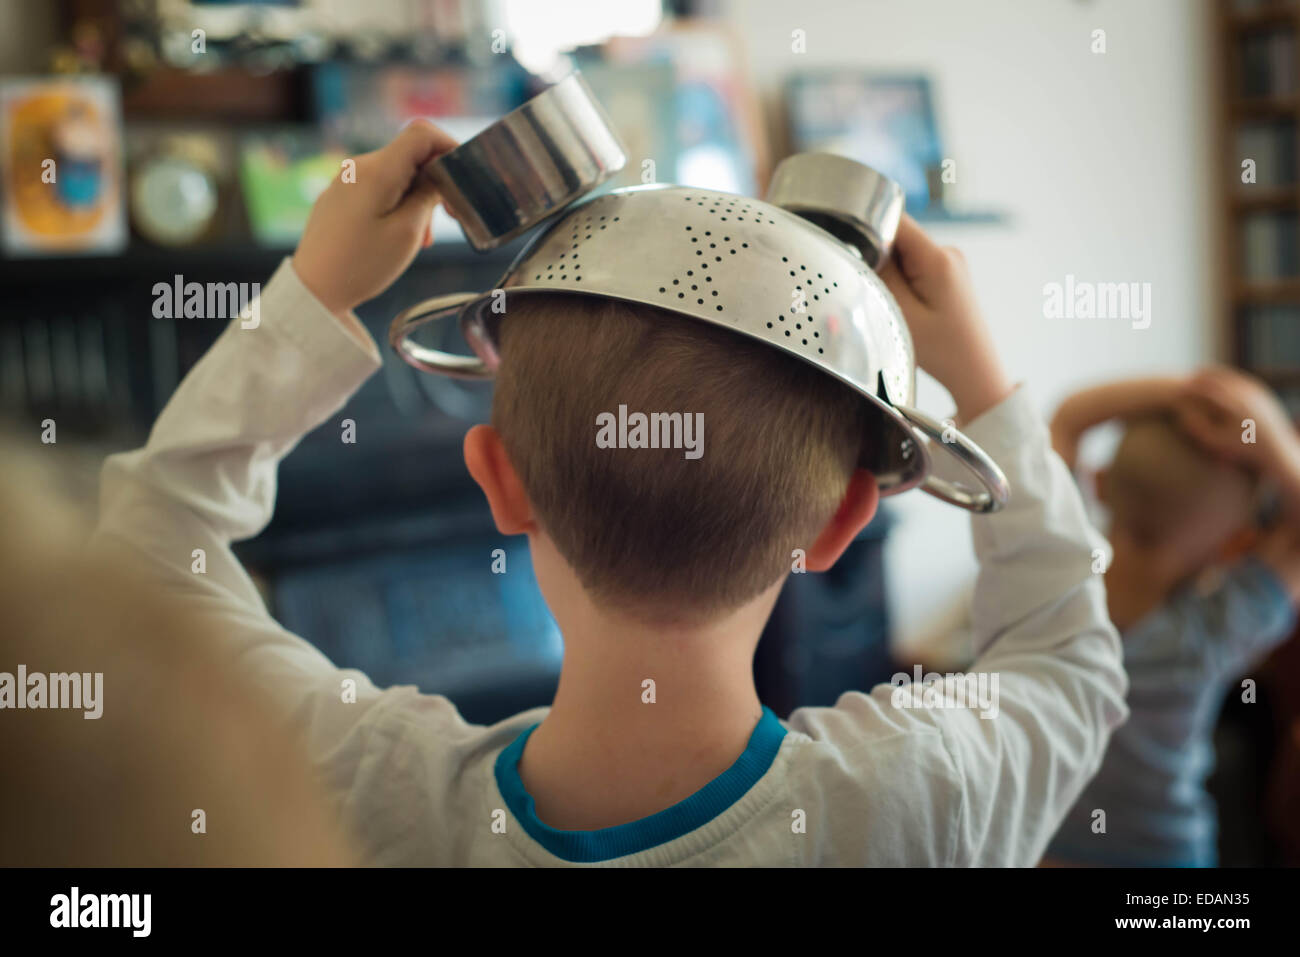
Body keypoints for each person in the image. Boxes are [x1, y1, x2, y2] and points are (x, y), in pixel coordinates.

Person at [90, 120, 1125, 865]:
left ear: (499, 481)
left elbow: (139, 560)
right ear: (844, 519)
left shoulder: (361, 786)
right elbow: (1070, 657)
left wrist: (317, 290)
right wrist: (978, 380)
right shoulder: (924, 799)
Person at [1044, 367, 1300, 866]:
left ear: (1098, 483)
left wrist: (1183, 393)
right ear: (1235, 546)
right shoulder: (1211, 633)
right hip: (1164, 855)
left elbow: (1068, 420)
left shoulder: (1051, 579)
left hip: (1045, 844)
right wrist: (1265, 433)